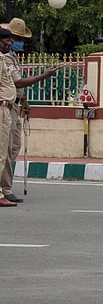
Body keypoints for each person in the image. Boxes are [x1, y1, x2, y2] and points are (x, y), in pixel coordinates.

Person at [0, 18, 57, 205]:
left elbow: (14, 85)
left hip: (14, 105)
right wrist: (44, 75)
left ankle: (5, 185)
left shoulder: (12, 56)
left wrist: (24, 101)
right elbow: (16, 82)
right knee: (5, 150)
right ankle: (4, 189)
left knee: (13, 147)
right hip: (5, 106)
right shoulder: (4, 58)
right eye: (13, 38)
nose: (14, 42)